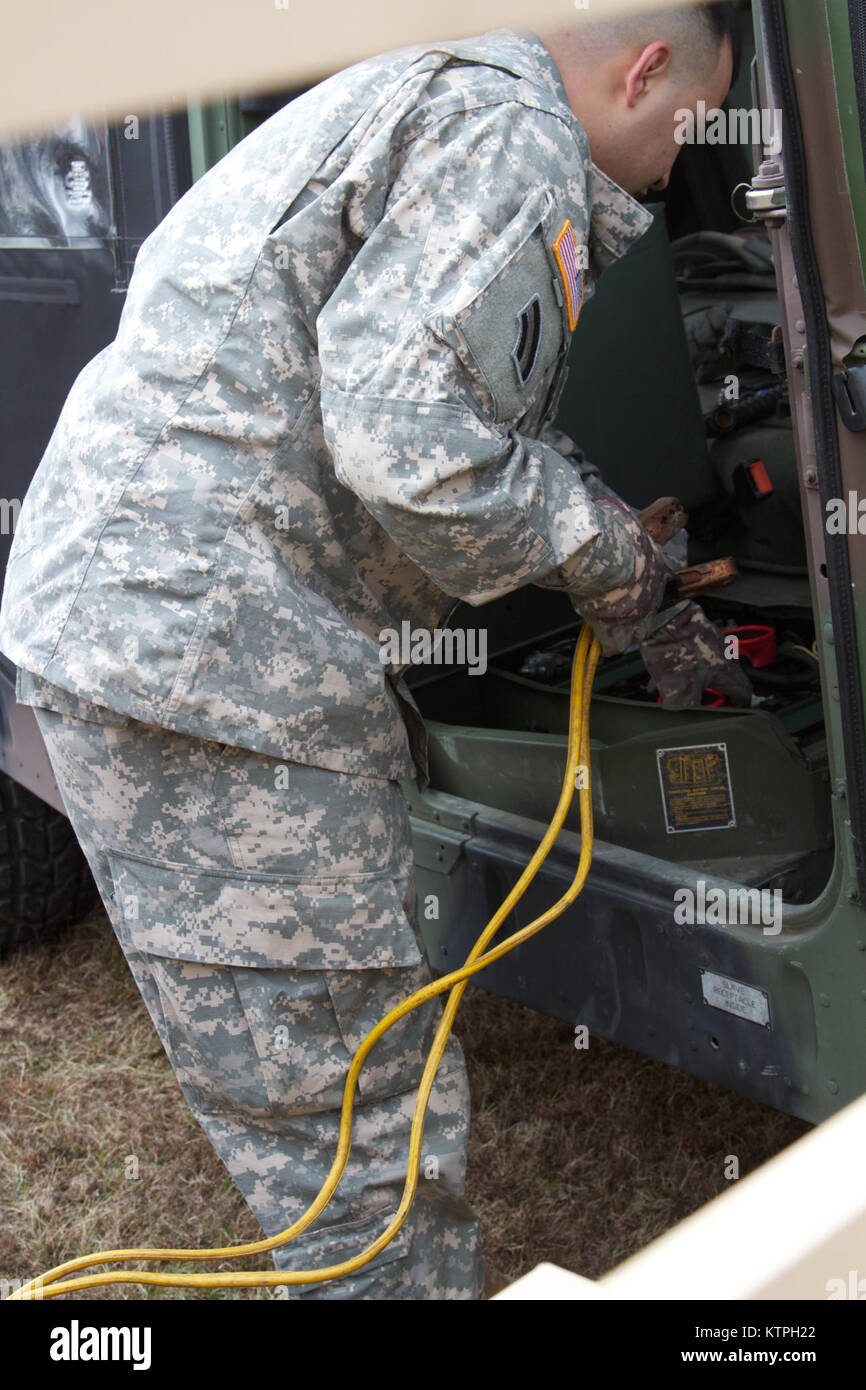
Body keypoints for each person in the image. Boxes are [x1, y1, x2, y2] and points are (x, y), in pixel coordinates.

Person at [0, 4, 747, 1299]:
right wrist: (614, 557)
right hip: (209, 662)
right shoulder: (505, 127)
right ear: (644, 70)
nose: (675, 167)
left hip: (159, 634)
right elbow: (417, 450)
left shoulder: (429, 97)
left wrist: (615, 559)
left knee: (319, 1108)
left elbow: (448, 412)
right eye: (689, 126)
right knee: (353, 1137)